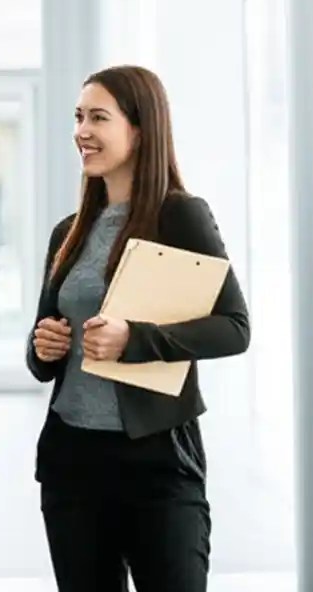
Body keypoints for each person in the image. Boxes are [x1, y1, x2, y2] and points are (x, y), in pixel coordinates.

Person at [26, 64, 251, 591]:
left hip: (156, 463)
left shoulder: (181, 217)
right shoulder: (69, 230)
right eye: (78, 117)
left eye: (98, 118)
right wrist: (45, 346)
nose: (81, 131)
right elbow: (41, 355)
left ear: (140, 129)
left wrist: (135, 339)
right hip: (72, 463)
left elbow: (234, 328)